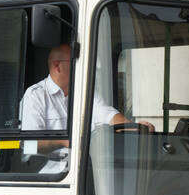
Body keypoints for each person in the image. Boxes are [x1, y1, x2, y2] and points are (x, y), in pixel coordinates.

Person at [19, 45, 127, 173]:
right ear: (57, 66)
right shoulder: (36, 95)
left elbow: (106, 114)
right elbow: (31, 144)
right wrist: (64, 141)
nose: (82, 68)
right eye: (76, 62)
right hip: (52, 174)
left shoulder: (84, 92)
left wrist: (131, 126)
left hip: (88, 167)